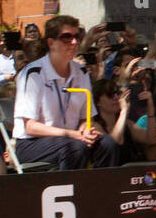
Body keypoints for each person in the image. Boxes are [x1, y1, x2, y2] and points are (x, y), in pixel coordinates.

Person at [12, 15, 121, 171]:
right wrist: (71, 134)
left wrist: (85, 129)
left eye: (76, 36)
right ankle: (74, 193)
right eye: (66, 37)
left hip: (71, 139)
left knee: (108, 144)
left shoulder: (81, 72)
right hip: (32, 143)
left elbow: (86, 118)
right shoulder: (33, 74)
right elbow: (30, 127)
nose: (74, 42)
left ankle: (101, 191)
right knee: (74, 147)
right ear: (51, 43)